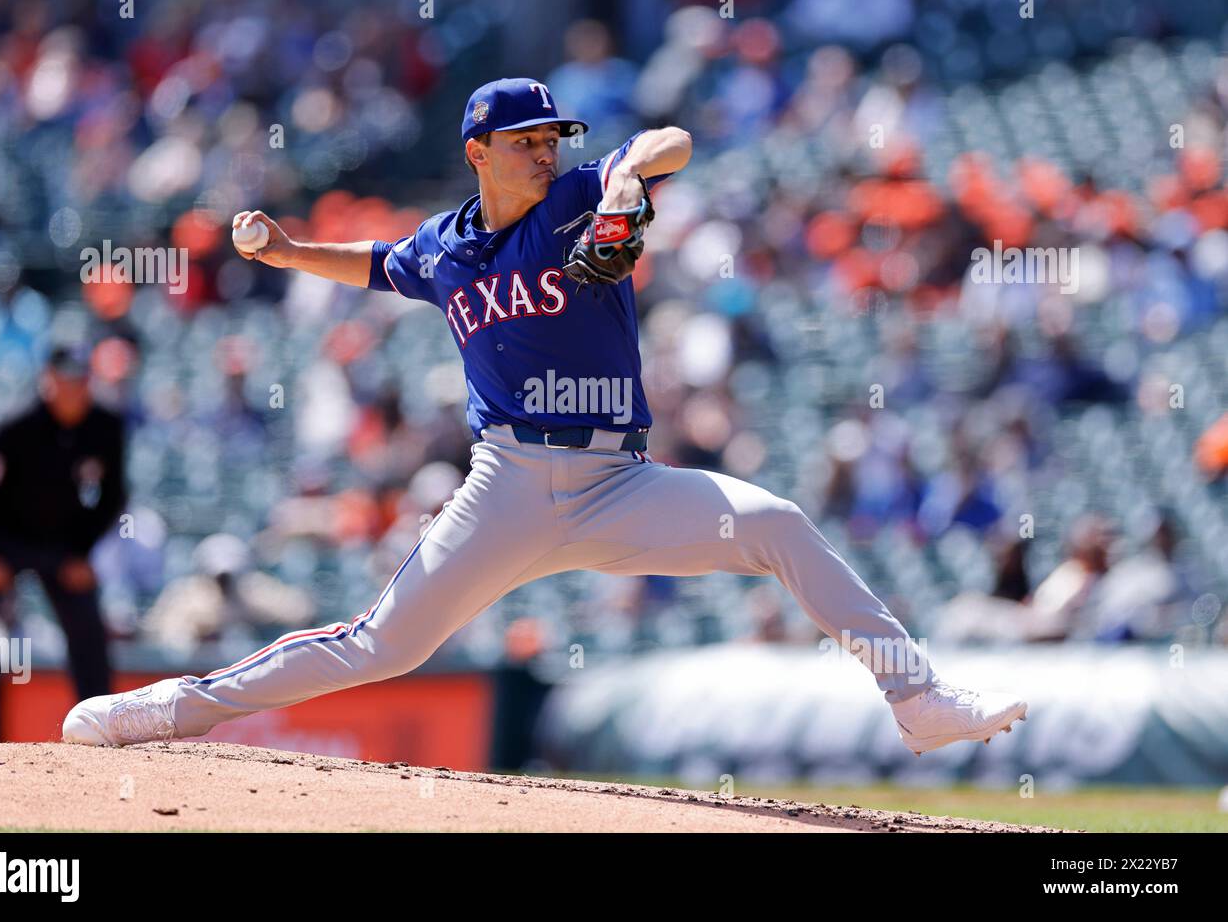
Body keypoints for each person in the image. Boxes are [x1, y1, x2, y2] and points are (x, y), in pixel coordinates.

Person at [63, 77, 1027, 755]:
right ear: (478, 151)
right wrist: (282, 251)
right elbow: (373, 264)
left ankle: (918, 698)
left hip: (622, 482)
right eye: (527, 141)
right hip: (510, 484)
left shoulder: (577, 195)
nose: (547, 151)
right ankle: (173, 708)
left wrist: (622, 177)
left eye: (555, 138)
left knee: (775, 522)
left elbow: (670, 145)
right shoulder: (443, 248)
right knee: (380, 647)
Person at [0, 344, 125, 739]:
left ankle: (104, 733)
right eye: (65, 380)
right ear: (48, 380)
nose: (74, 389)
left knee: (88, 627)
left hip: (63, 546)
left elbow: (113, 496)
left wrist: (82, 551)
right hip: (5, 543)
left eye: (80, 380)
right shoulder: (13, 426)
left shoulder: (105, 426)